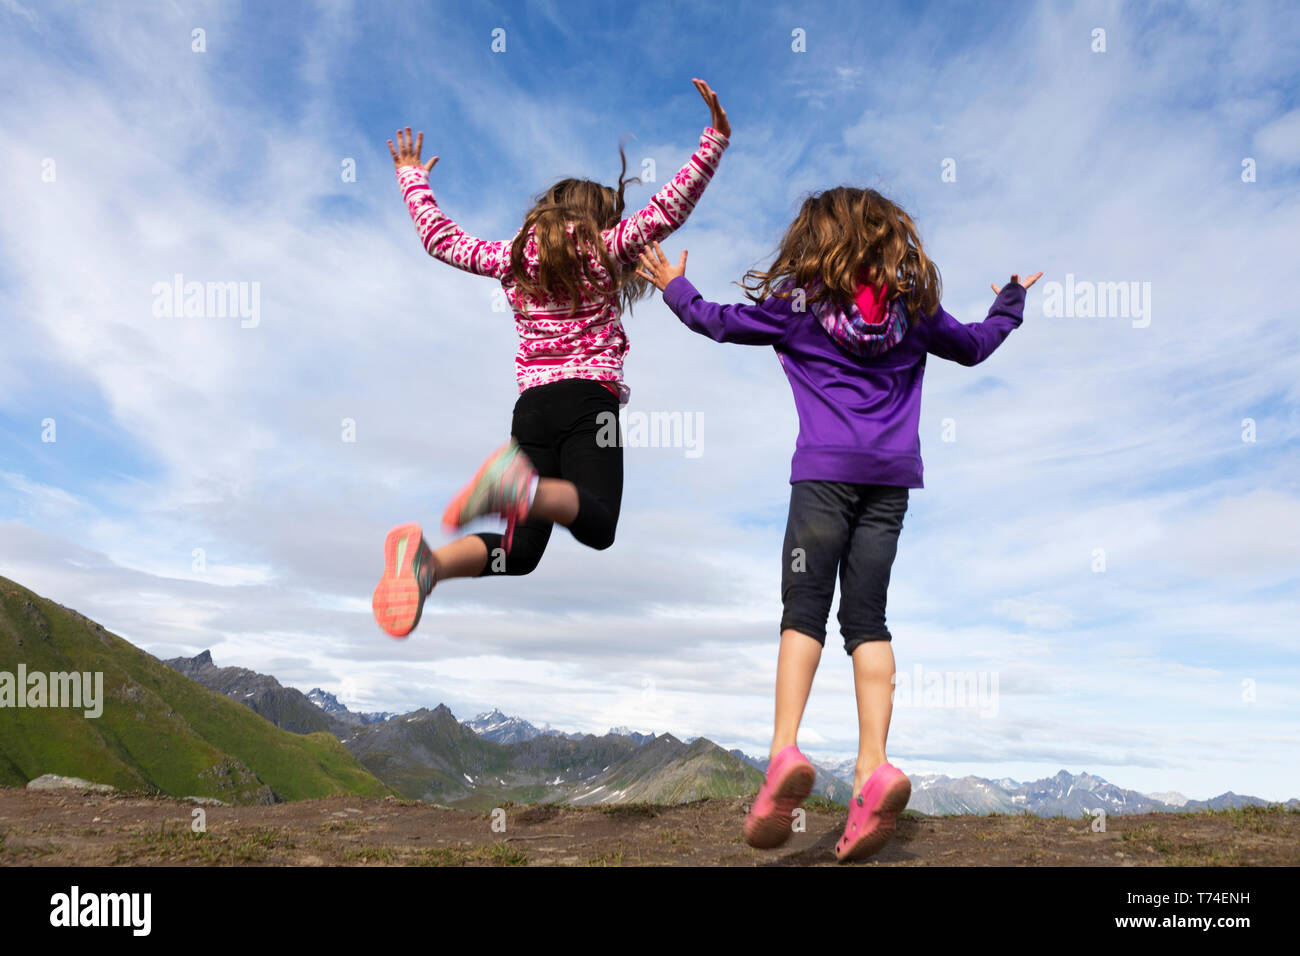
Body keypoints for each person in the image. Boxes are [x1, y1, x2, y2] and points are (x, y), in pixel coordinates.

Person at [636, 188, 1040, 860]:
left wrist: (675, 285)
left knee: (803, 612)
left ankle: (783, 754)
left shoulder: (798, 305)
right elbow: (974, 346)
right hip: (891, 483)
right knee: (868, 622)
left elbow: (717, 321)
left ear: (818, 240)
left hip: (822, 478)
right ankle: (872, 766)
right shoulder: (916, 312)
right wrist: (1011, 303)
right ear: (890, 241)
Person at [372, 80, 731, 639]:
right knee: (598, 521)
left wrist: (412, 177)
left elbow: (439, 240)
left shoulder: (508, 257)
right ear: (599, 217)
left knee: (520, 554)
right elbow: (668, 209)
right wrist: (713, 140)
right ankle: (519, 489)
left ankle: (428, 566)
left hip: (532, 409)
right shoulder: (605, 246)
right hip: (590, 401)